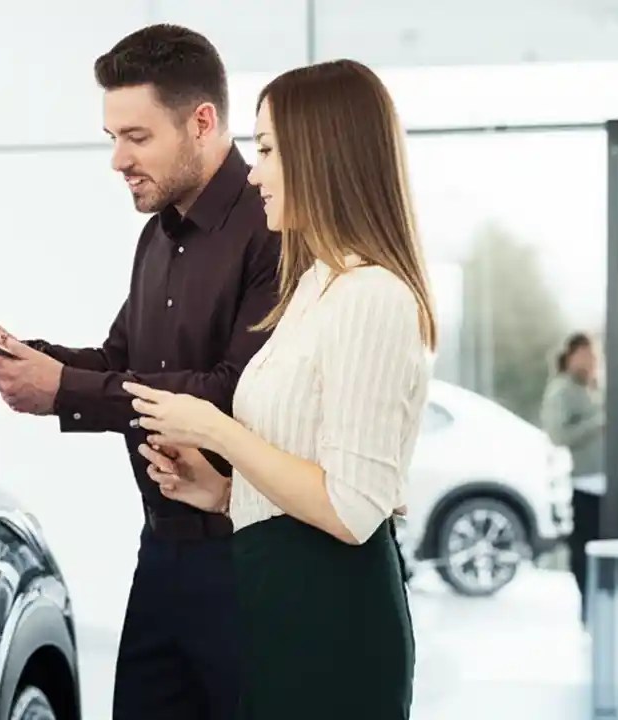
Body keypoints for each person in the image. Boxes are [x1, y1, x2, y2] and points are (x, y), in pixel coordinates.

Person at [0, 24, 280, 720]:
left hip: (249, 562)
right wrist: (19, 354)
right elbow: (122, 364)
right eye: (111, 136)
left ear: (201, 122)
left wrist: (63, 391)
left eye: (136, 136)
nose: (117, 160)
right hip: (161, 551)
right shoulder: (157, 234)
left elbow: (234, 392)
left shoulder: (272, 226)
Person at [122, 59, 435, 719]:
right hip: (277, 604)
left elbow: (351, 509)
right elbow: (308, 483)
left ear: (324, 156)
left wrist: (215, 429)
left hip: (333, 625)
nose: (254, 171)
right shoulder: (315, 286)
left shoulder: (372, 296)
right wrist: (223, 490)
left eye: (267, 150)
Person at [539, 332, 604, 625]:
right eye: (586, 355)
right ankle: (588, 610)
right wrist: (599, 423)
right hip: (585, 483)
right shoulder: (562, 390)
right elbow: (558, 434)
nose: (591, 361)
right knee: (584, 550)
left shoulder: (592, 387)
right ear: (572, 355)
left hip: (604, 483)